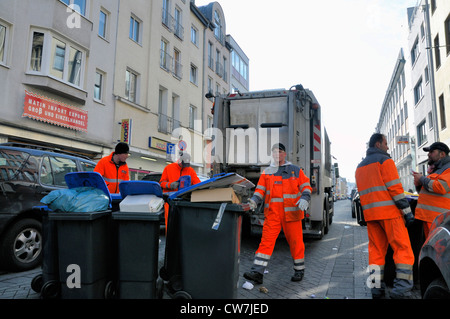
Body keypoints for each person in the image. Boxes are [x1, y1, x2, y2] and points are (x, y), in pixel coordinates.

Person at [355, 133, 415, 299]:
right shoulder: (385, 161)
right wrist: (408, 213)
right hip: (389, 214)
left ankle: (375, 288)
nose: (388, 147)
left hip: (371, 216)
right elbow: (395, 189)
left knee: (376, 252)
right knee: (403, 250)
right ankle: (401, 290)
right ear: (378, 144)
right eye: (386, 143)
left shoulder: (359, 167)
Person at [243, 143, 312, 284]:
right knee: (266, 243)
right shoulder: (267, 172)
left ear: (284, 154)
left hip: (292, 215)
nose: (277, 154)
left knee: (296, 243)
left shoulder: (295, 170)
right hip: (273, 214)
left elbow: (306, 186)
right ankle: (257, 273)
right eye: (274, 152)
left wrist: (305, 197)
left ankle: (299, 270)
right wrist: (254, 201)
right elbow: (260, 191)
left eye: (279, 151)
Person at [413, 141, 450, 238]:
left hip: (439, 218)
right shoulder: (436, 169)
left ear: (442, 154)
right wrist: (418, 184)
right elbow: (426, 191)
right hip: (430, 217)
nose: (428, 155)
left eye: (432, 152)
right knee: (431, 248)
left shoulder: (448, 168)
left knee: (437, 248)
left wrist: (421, 178)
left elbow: (441, 187)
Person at [160, 151, 201, 229]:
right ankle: (170, 240)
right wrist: (170, 185)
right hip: (170, 201)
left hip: (184, 202)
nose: (185, 167)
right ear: (179, 160)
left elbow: (197, 184)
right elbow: (161, 183)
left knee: (182, 226)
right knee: (170, 224)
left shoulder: (190, 170)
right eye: (183, 164)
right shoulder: (169, 168)